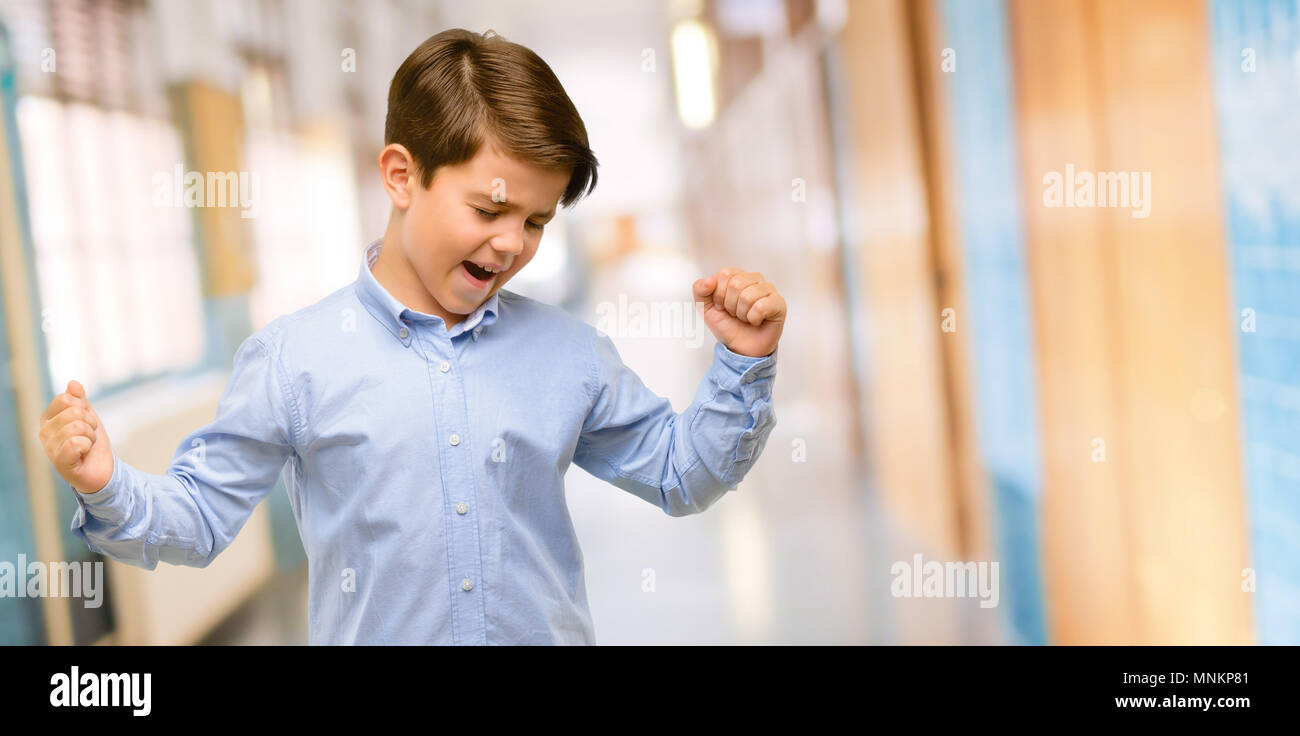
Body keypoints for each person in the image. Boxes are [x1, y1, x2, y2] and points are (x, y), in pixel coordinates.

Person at [35, 28, 785, 645]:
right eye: (489, 209)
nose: (510, 244)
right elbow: (197, 522)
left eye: (535, 221)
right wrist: (107, 481)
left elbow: (683, 476)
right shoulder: (295, 360)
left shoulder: (568, 355)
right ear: (401, 175)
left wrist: (741, 366)